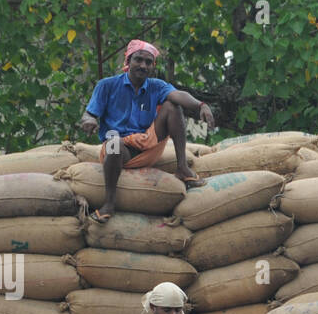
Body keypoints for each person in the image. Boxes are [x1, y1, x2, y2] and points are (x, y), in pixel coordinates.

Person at [79, 37, 217, 221]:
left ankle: (182, 167)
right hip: (119, 150)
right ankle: (109, 203)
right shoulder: (106, 85)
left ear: (153, 67)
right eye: (138, 60)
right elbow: (88, 114)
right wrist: (89, 121)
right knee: (114, 142)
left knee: (172, 106)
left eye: (148, 62)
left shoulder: (156, 86)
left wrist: (201, 105)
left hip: (147, 143)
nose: (143, 65)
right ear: (128, 61)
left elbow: (178, 95)